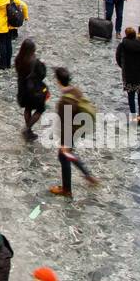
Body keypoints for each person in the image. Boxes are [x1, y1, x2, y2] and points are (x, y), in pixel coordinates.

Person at [49, 66, 98, 198]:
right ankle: (87, 175)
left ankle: (67, 190)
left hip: (72, 131)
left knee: (64, 155)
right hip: (80, 127)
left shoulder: (65, 101)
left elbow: (66, 123)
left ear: (58, 81)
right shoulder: (75, 91)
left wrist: (65, 142)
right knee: (67, 154)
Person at [116, 26, 140, 122]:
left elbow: (118, 58)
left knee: (131, 96)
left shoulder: (122, 45)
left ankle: (133, 115)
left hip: (128, 76)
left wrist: (124, 68)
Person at [15, 37, 48, 139]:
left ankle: (28, 130)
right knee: (40, 109)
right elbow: (42, 75)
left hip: (23, 88)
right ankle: (28, 128)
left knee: (28, 108)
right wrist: (43, 65)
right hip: (34, 90)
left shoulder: (18, 59)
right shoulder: (36, 62)